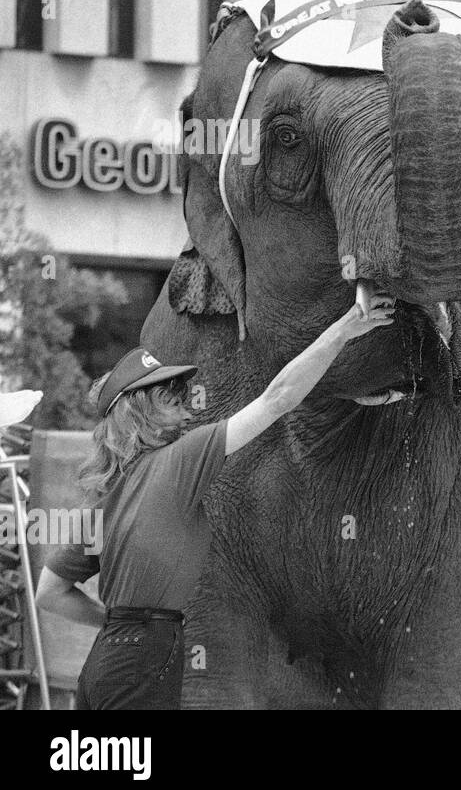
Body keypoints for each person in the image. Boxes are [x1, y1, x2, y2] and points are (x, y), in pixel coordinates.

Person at [35, 292, 395, 709]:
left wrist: (115, 626)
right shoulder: (181, 460)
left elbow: (49, 593)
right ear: (140, 409)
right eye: (168, 392)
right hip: (145, 658)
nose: (183, 395)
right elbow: (277, 399)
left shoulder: (103, 497)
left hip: (106, 663)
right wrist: (348, 325)